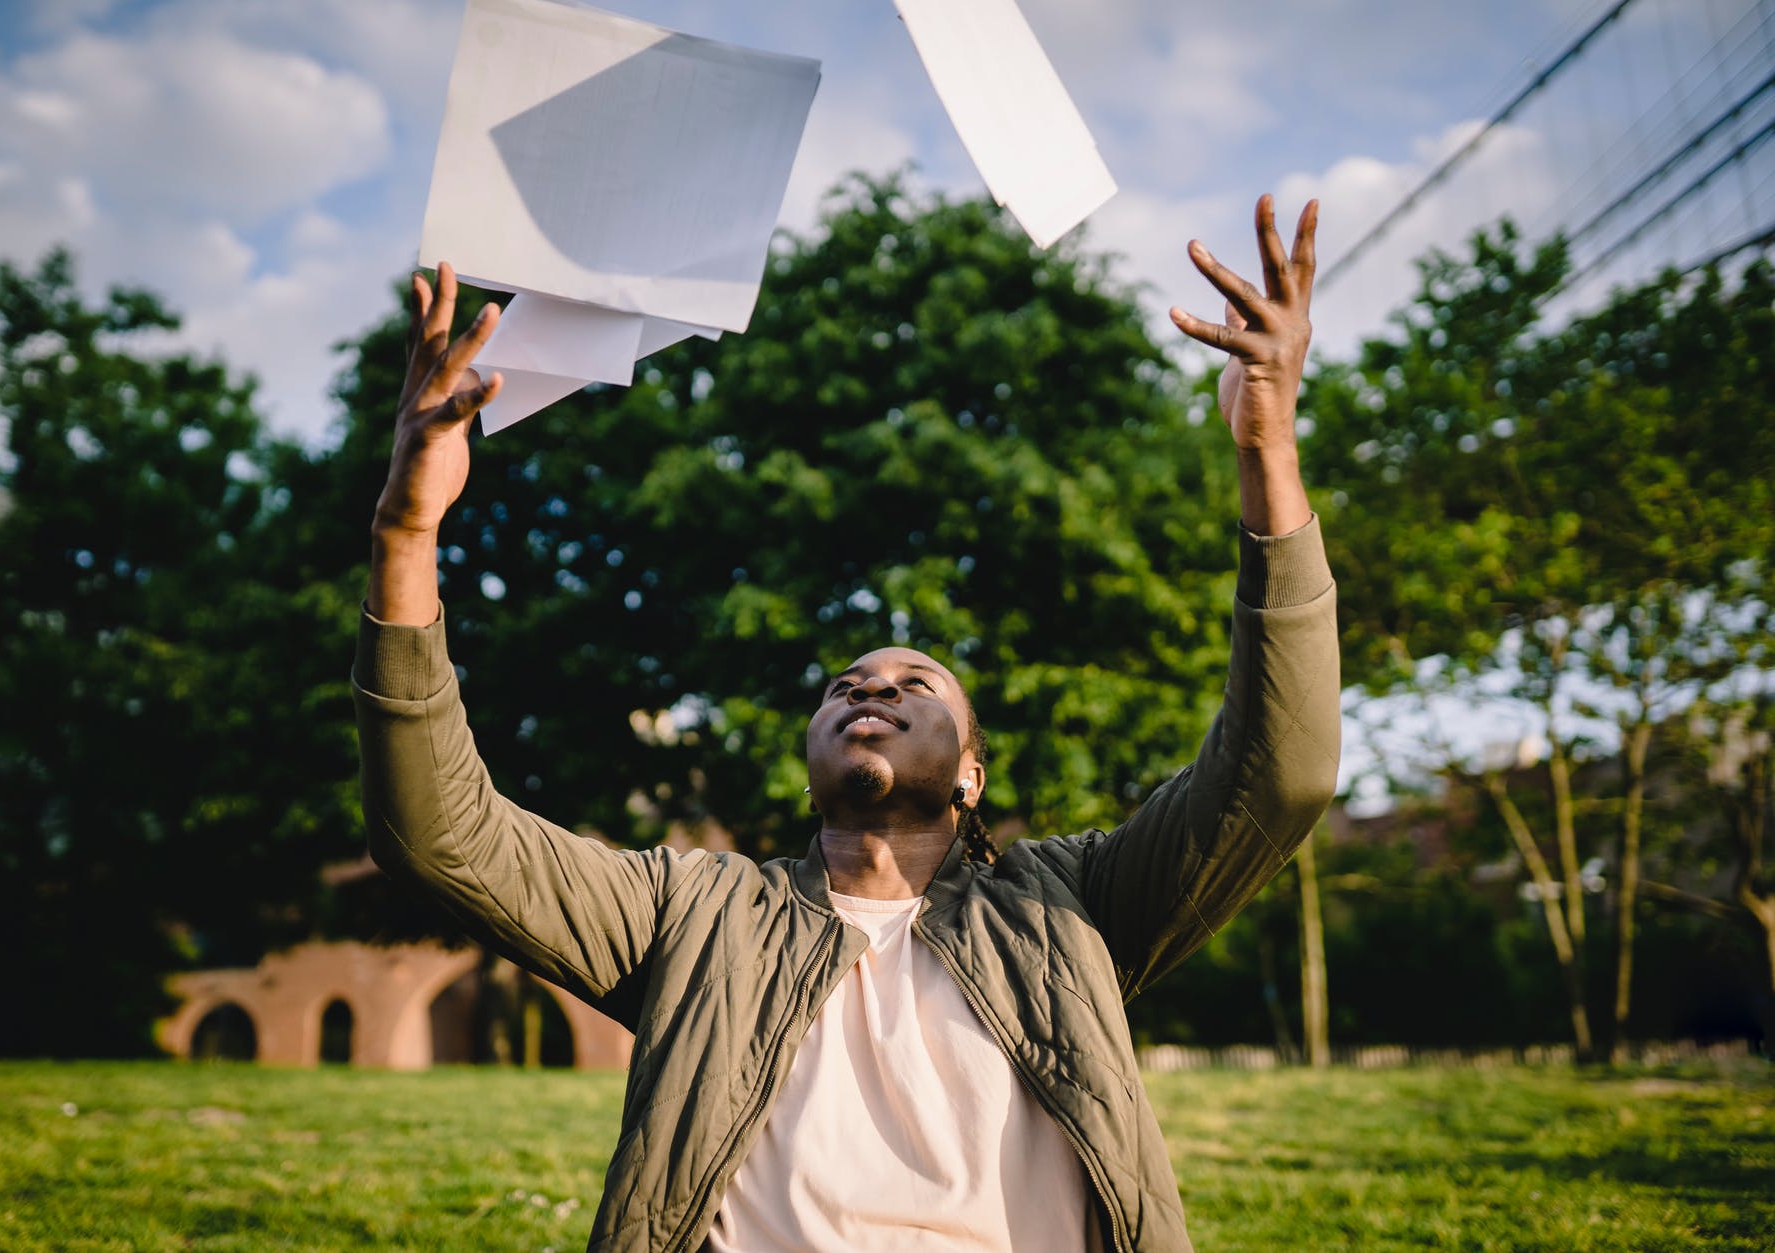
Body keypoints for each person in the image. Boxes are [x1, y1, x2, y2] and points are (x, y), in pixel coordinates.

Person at [353, 195, 1339, 1253]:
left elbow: (1273, 775)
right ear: (809, 758)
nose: (869, 687)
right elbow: (443, 836)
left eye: (913, 680)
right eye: (843, 684)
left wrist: (1266, 453)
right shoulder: (697, 913)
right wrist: (408, 532)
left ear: (968, 774)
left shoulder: (1075, 907)